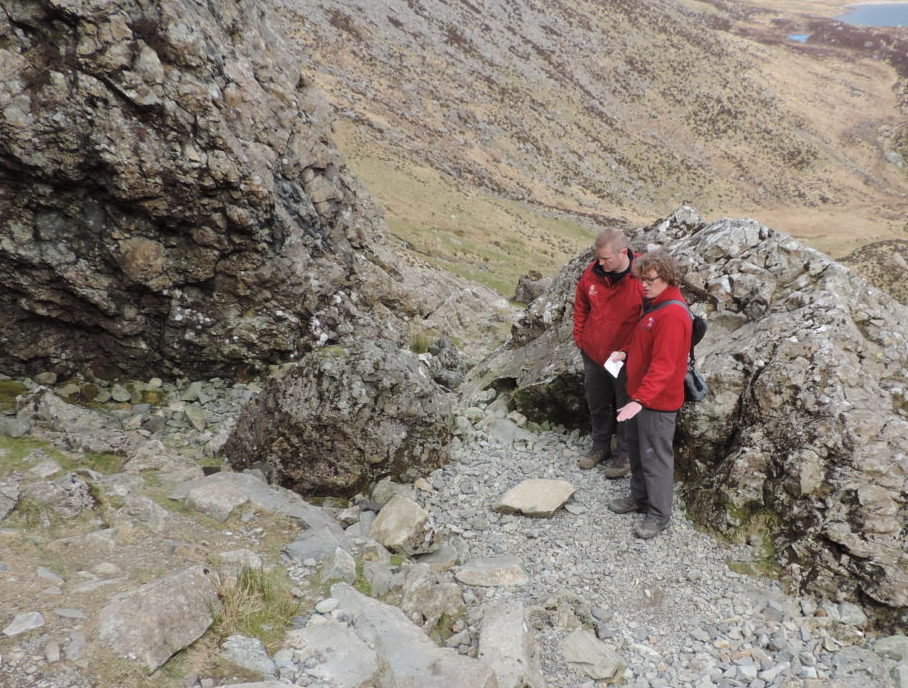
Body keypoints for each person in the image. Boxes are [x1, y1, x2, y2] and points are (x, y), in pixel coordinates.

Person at [605, 249, 692, 539]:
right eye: (642, 279)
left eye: (650, 279)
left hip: (655, 403)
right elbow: (642, 340)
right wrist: (624, 351)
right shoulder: (655, 306)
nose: (644, 285)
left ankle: (658, 514)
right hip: (638, 398)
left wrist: (640, 400)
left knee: (655, 458)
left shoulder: (673, 315)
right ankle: (639, 498)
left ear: (668, 278)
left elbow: (665, 366)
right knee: (639, 454)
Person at [572, 228, 644, 477]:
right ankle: (599, 447)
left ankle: (624, 455)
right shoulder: (592, 273)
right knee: (598, 403)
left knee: (625, 406)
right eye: (598, 257)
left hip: (624, 359)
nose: (600, 263)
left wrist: (627, 351)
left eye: (605, 258)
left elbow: (648, 321)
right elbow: (581, 303)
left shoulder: (642, 276)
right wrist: (580, 337)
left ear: (623, 252)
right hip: (593, 354)